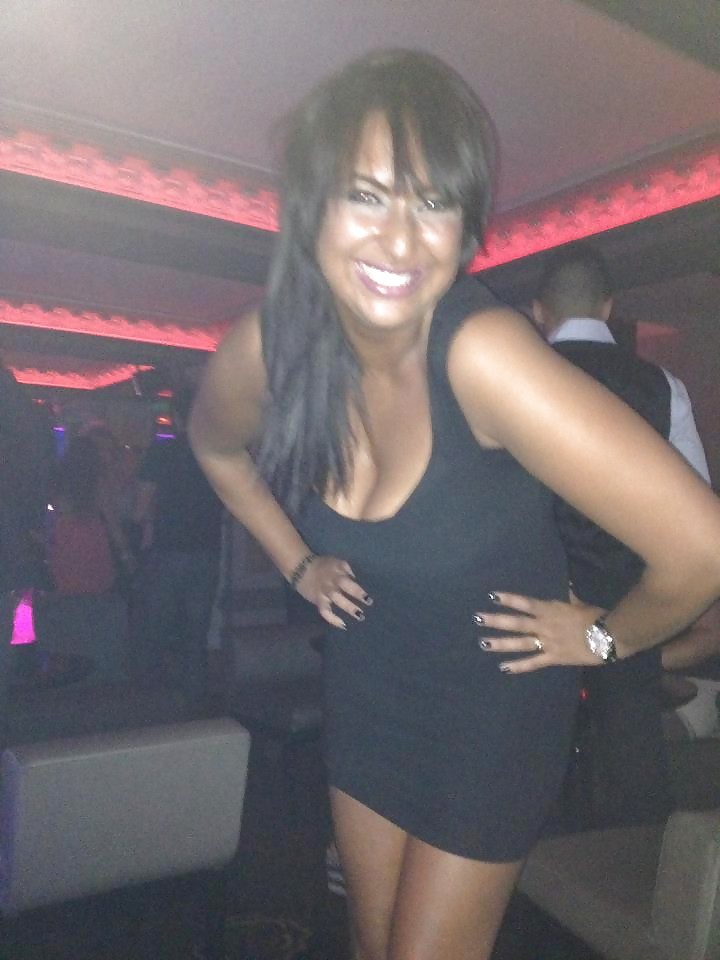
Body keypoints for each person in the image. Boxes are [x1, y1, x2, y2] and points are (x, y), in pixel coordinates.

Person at [189, 49, 720, 960]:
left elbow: (702, 546)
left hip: (492, 715)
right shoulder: (273, 348)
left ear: (465, 225)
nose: (401, 242)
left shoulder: (484, 355)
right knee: (371, 943)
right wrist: (297, 560)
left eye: (433, 204)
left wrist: (604, 639)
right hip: (367, 689)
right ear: (311, 205)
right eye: (367, 195)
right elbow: (214, 446)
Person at [532, 242, 710, 827]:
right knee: (634, 772)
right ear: (608, 307)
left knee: (530, 770)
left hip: (533, 603)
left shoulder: (517, 381)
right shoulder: (662, 385)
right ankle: (639, 868)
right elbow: (695, 516)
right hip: (626, 610)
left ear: (539, 312)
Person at [133, 387, 223, 708]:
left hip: (169, 551)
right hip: (207, 551)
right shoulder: (218, 454)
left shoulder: (161, 452)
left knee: (155, 629)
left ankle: (150, 707)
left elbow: (140, 509)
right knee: (195, 634)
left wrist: (146, 524)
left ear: (175, 417)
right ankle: (192, 706)